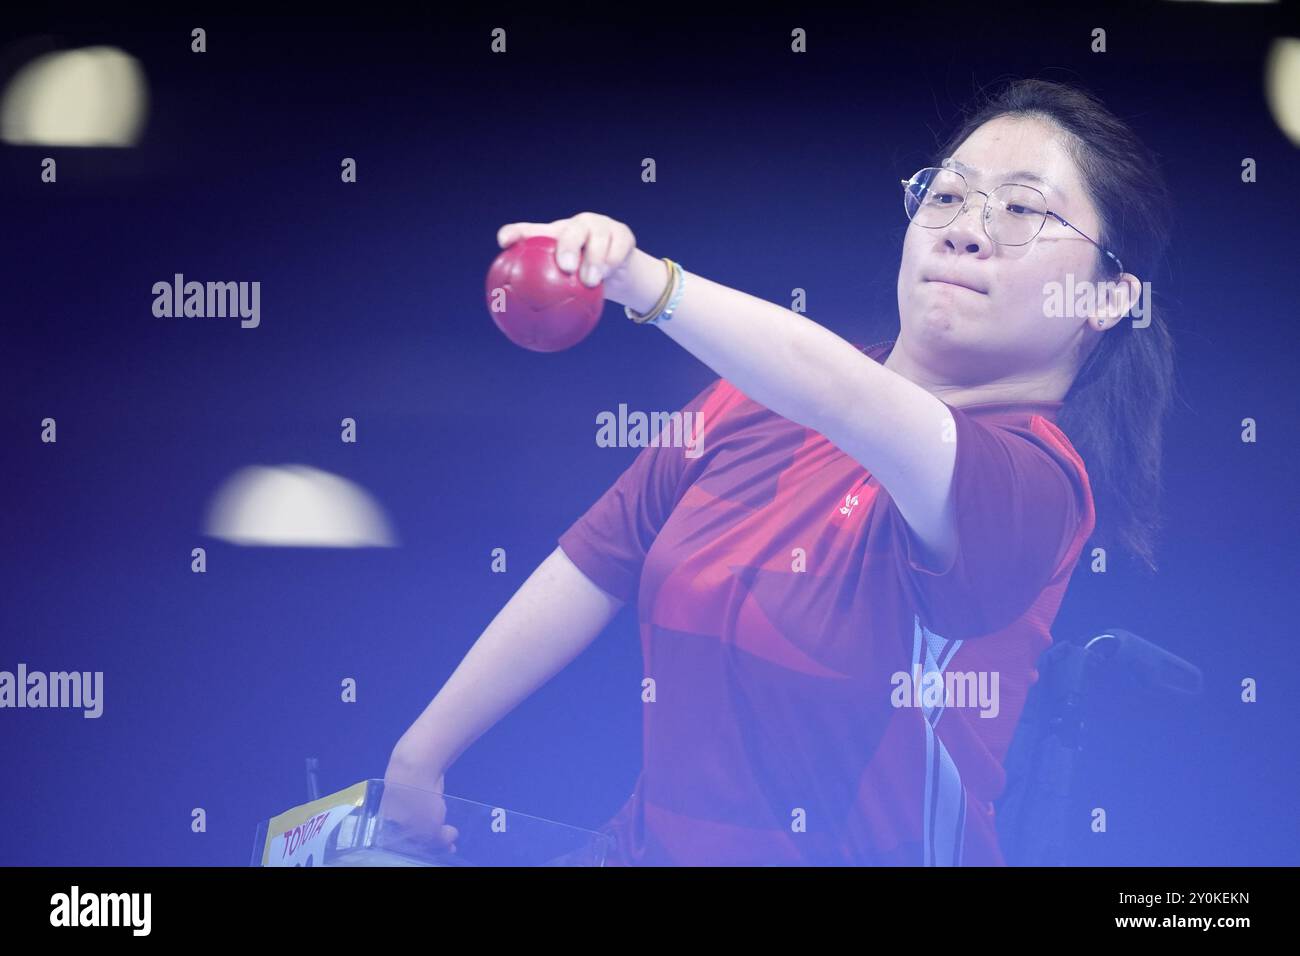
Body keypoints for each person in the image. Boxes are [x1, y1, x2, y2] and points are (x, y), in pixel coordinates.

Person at [381, 77, 1177, 865]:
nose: (967, 230)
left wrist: (647, 285)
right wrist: (421, 757)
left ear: (1108, 297)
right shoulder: (746, 401)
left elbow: (850, 399)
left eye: (1022, 209)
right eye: (946, 196)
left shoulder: (1035, 486)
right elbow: (595, 564)